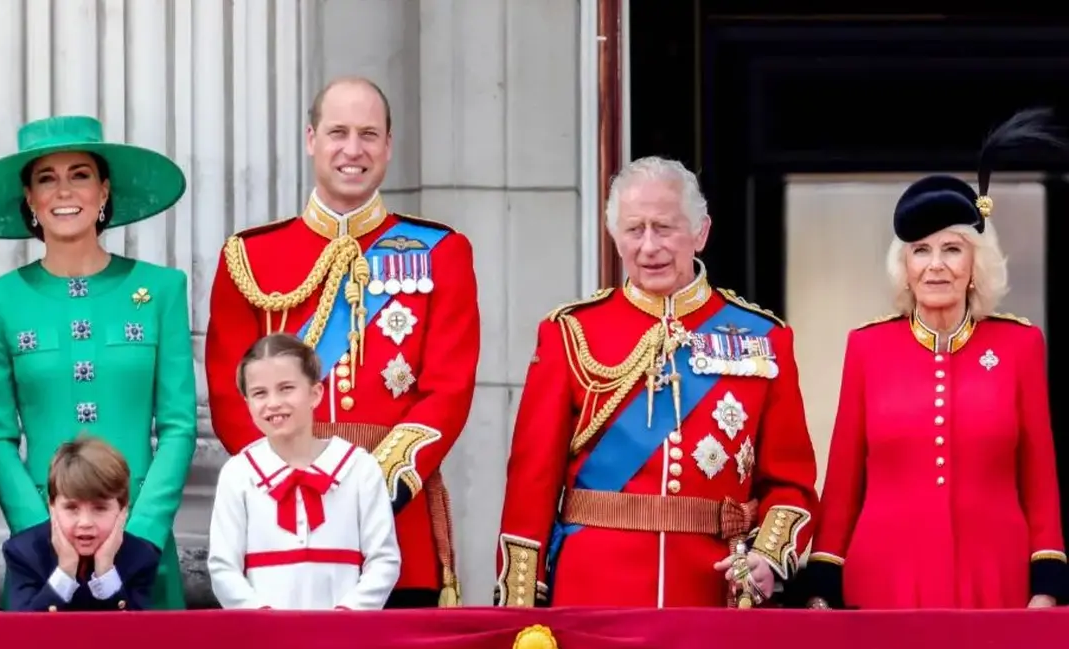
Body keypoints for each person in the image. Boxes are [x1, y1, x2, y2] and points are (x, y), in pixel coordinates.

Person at [494, 156, 820, 608]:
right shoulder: (571, 333)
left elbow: (792, 483)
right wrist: (519, 607)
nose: (649, 246)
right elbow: (530, 485)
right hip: (592, 594)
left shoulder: (763, 337)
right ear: (615, 236)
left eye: (664, 228)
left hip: (709, 594)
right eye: (634, 230)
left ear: (700, 233)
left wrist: (767, 556)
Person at [205, 76, 479, 608]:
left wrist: (365, 490)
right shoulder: (249, 257)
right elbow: (229, 393)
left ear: (389, 146)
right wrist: (289, 483)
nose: (353, 150)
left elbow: (448, 392)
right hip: (278, 526)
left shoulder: (441, 251)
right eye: (338, 133)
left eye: (369, 134)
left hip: (396, 524)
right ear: (311, 139)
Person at [803, 109, 1068, 610]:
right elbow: (842, 482)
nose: (936, 265)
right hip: (884, 583)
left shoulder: (1019, 346)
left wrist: (1047, 586)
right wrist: (822, 584)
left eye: (952, 249)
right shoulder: (867, 348)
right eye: (920, 251)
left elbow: (1039, 478)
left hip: (997, 582)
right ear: (903, 268)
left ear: (975, 265)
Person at [0, 115, 197, 609]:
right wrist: (40, 530)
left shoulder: (162, 290)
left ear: (104, 191)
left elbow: (178, 425)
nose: (65, 190)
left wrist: (144, 529)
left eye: (80, 174)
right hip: (45, 546)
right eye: (47, 178)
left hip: (142, 539)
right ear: (30, 200)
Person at [207, 334, 400, 610]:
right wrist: (262, 618)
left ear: (315, 393)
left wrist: (348, 615)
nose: (273, 402)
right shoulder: (238, 474)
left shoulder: (359, 468)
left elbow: (384, 560)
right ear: (247, 402)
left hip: (345, 637)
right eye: (259, 393)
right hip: (266, 639)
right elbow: (223, 567)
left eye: (286, 388)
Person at [2, 436, 160, 611]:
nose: (85, 522)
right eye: (71, 508)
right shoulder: (24, 553)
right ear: (52, 506)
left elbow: (138, 633)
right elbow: (22, 632)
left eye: (100, 508)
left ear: (122, 509)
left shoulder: (140, 557)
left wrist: (106, 572)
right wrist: (65, 571)